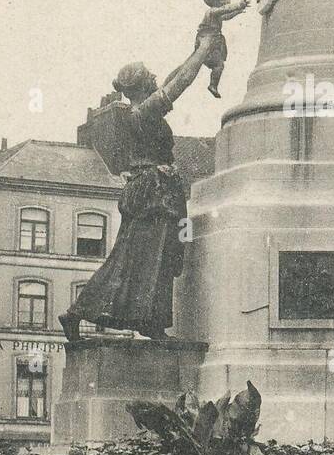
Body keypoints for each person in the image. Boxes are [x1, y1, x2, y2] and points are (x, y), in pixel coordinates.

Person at [58, 34, 219, 343]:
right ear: (142, 83)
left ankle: (151, 322)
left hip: (155, 190)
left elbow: (174, 77)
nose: (156, 77)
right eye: (150, 75)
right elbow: (180, 83)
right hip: (154, 192)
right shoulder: (144, 112)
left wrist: (198, 47)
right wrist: (202, 51)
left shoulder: (143, 109)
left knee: (153, 257)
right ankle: (79, 312)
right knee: (141, 258)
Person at [194, 0, 250, 98]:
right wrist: (239, 5)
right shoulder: (212, 11)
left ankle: (213, 85)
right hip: (206, 39)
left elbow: (226, 16)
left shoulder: (216, 14)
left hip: (213, 42)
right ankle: (213, 85)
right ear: (219, 0)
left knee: (219, 65)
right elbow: (225, 10)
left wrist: (239, 11)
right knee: (217, 64)